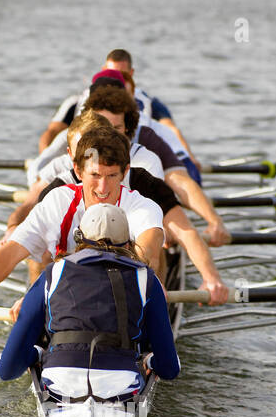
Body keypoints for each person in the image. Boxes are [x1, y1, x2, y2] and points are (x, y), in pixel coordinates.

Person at [0, 128, 162, 322]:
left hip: (123, 307)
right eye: (94, 175)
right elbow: (10, 253)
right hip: (66, 307)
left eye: (112, 175)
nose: (103, 187)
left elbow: (145, 255)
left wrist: (44, 296)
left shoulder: (143, 208)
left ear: (125, 172)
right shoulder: (58, 201)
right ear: (77, 170)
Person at [13, 110, 229, 305]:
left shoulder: (143, 177)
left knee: (155, 240)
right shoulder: (60, 185)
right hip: (73, 269)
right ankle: (40, 306)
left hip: (129, 261)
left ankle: (150, 300)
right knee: (41, 249)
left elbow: (185, 231)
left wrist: (211, 279)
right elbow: (31, 218)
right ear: (75, 160)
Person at [0, 203, 179, 404]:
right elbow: (169, 369)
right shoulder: (147, 278)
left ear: (78, 240)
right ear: (128, 244)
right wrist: (150, 360)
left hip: (59, 384)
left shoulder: (52, 273)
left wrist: (36, 353)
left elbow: (7, 370)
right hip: (121, 388)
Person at [32, 81, 229, 248]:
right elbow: (39, 171)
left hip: (133, 229)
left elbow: (175, 186)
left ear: (127, 127)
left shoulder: (147, 150)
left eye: (115, 127)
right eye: (101, 126)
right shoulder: (72, 144)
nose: (108, 133)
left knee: (154, 233)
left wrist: (212, 222)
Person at [40, 49, 197, 175]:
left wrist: (190, 158)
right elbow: (52, 131)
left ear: (131, 74)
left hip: (134, 159)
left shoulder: (149, 103)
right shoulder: (76, 102)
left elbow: (171, 129)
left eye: (122, 75)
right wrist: (44, 159)